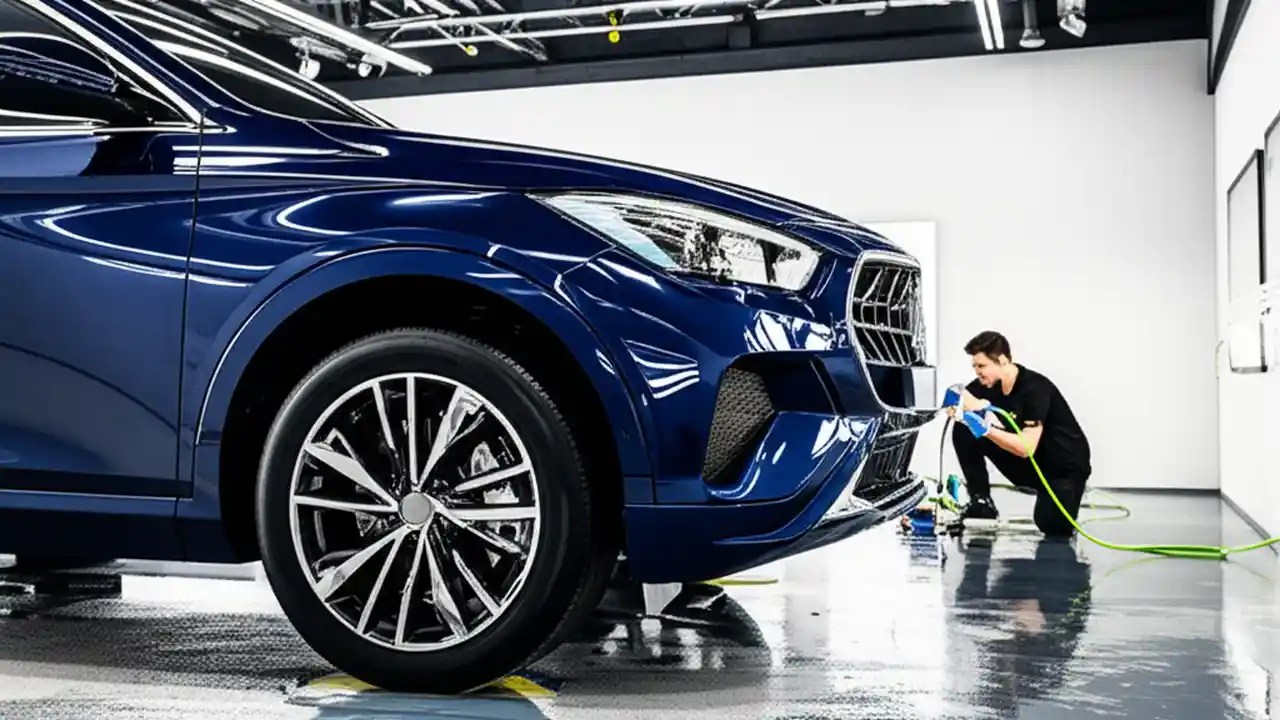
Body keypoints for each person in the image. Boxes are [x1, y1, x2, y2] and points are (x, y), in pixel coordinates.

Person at [948, 331, 1092, 537]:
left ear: (1003, 361)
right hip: (1030, 464)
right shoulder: (986, 385)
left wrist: (985, 429)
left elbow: (1026, 448)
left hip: (1063, 468)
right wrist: (955, 404)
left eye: (982, 366)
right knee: (963, 428)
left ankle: (1069, 494)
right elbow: (963, 396)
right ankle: (981, 501)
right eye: (974, 366)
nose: (977, 372)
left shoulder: (1035, 388)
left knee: (1052, 526)